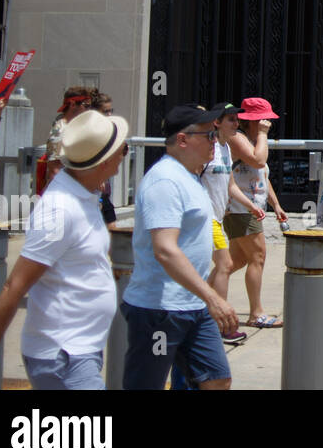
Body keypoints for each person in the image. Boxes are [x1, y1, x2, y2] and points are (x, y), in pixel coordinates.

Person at [0, 110, 127, 390]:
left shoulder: (82, 195)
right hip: (63, 355)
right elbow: (14, 287)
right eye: (122, 149)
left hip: (78, 350)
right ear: (105, 160)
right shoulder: (60, 210)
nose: (125, 154)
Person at [121, 104, 238, 390]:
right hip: (160, 311)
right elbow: (165, 250)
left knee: (217, 380)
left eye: (214, 135)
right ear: (183, 140)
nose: (215, 141)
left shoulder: (190, 176)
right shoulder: (164, 181)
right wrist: (212, 297)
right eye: (208, 136)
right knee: (147, 384)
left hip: (194, 307)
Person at [224, 96, 288, 328]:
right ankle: (256, 313)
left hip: (250, 208)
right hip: (240, 209)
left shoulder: (254, 140)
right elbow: (259, 161)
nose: (268, 123)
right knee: (257, 257)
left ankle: (204, 300)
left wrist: (276, 205)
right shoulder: (238, 139)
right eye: (263, 119)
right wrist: (262, 135)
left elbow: (262, 177)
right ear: (251, 120)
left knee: (235, 261)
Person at [206, 103, 260, 345]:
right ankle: (221, 326)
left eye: (237, 119)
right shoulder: (207, 148)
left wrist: (251, 205)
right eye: (230, 119)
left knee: (219, 266)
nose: (236, 124)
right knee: (225, 263)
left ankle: (205, 315)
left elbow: (230, 186)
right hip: (204, 218)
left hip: (217, 217)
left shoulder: (226, 149)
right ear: (216, 122)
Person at [37, 86, 94, 195]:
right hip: (64, 193)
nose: (88, 110)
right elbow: (55, 169)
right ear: (72, 104)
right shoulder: (60, 129)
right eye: (86, 106)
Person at [90, 91, 117, 224]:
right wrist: (98, 177)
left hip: (103, 190)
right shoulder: (89, 131)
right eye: (105, 111)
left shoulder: (108, 130)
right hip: (91, 190)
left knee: (112, 227)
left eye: (110, 111)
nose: (109, 115)